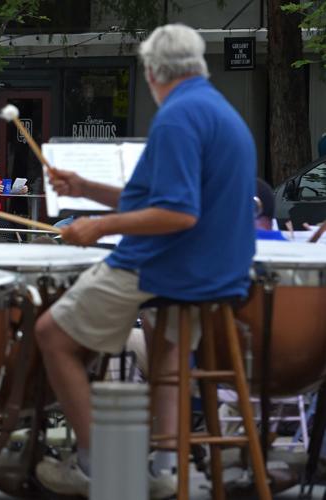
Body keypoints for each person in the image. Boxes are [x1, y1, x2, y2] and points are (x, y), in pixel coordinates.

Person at [32, 24, 256, 499]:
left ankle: (98, 465)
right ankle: (166, 468)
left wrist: (98, 228)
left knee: (51, 333)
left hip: (170, 265)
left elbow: (178, 213)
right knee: (165, 345)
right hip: (218, 270)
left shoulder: (176, 118)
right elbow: (160, 199)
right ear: (198, 65)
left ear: (153, 72)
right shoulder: (219, 110)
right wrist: (86, 189)